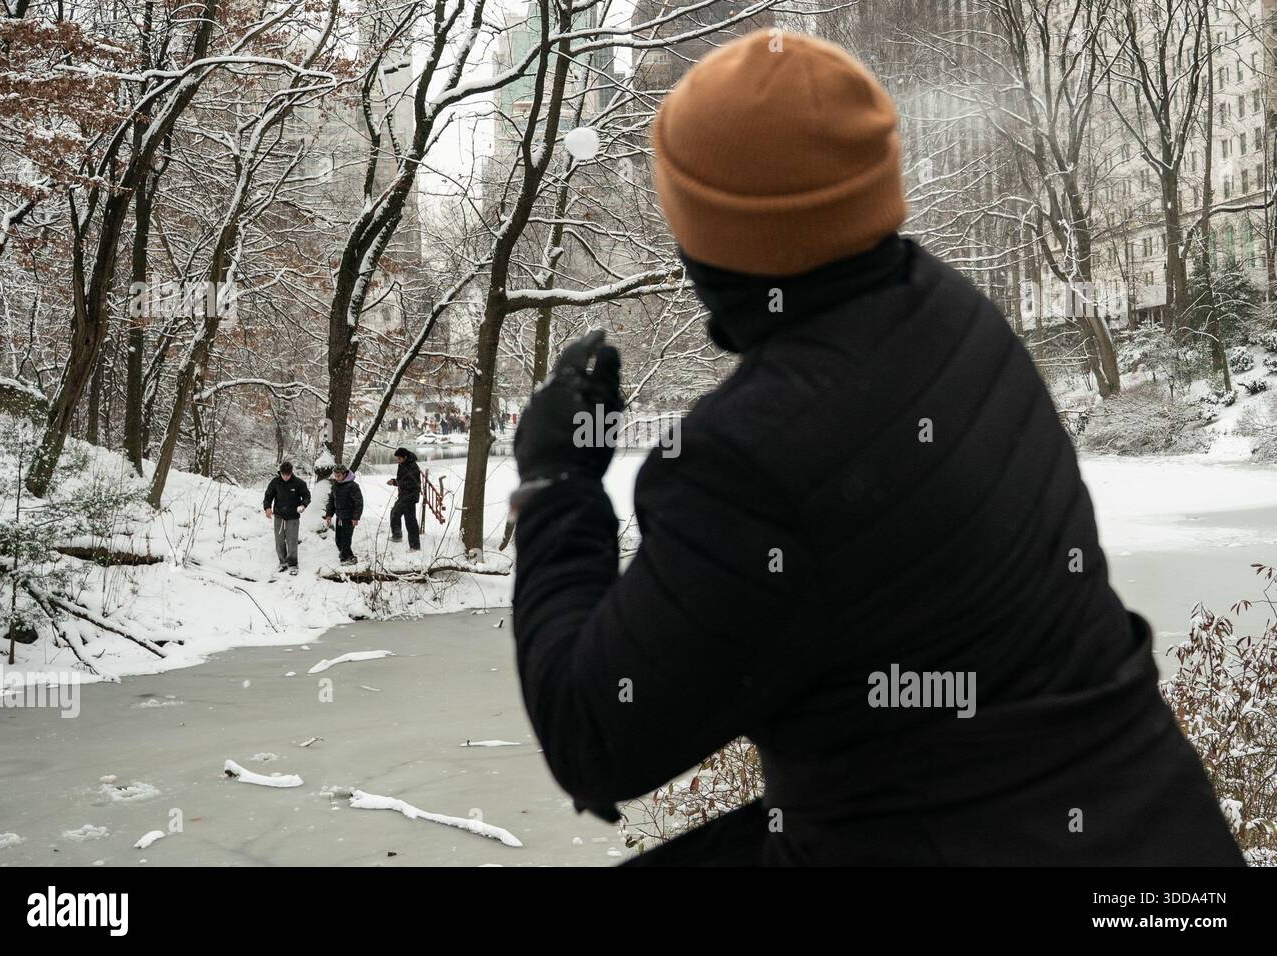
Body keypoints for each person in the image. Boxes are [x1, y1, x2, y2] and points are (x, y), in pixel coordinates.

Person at [508, 32, 1241, 866]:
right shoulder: (953, 315)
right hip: (1150, 828)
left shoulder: (747, 463)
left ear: (707, 238)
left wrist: (557, 480)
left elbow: (594, 739)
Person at [262, 461, 310, 575]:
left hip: (293, 516)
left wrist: (303, 505)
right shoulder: (275, 482)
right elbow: (268, 495)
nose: (285, 477)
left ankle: (293, 564)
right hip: (279, 515)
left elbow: (307, 496)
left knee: (292, 540)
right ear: (280, 473)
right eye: (283, 474)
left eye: (288, 475)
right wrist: (267, 508)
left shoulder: (299, 483)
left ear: (291, 473)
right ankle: (282, 562)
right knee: (279, 540)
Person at [323, 463, 363, 566]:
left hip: (349, 518)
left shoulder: (353, 486)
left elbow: (358, 503)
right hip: (339, 517)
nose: (336, 478)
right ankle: (349, 556)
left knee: (346, 539)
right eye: (335, 476)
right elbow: (331, 501)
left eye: (338, 476)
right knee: (338, 540)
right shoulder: (335, 485)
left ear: (344, 474)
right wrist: (329, 515)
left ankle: (345, 558)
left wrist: (356, 518)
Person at [386, 447, 421, 550]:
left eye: (399, 459)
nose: (398, 461)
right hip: (403, 495)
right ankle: (397, 535)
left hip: (410, 496)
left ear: (405, 457)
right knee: (395, 513)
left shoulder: (412, 467)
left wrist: (395, 482)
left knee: (410, 521)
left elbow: (411, 483)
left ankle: (415, 546)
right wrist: (395, 481)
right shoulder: (403, 463)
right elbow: (403, 479)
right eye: (397, 459)